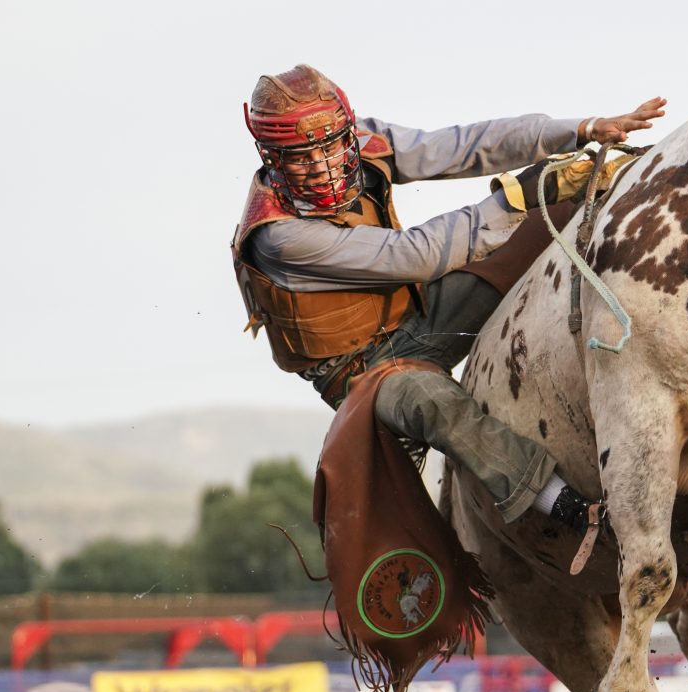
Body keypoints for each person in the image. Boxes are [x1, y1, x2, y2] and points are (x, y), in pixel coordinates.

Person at [232, 65, 664, 531]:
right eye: (300, 156)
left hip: (417, 315)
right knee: (434, 405)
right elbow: (415, 255)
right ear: (271, 155)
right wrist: (519, 194)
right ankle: (563, 507)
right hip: (362, 373)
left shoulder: (361, 142)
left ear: (345, 131)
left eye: (331, 147)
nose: (322, 166)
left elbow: (462, 145)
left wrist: (577, 132)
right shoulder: (278, 236)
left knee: (553, 201)